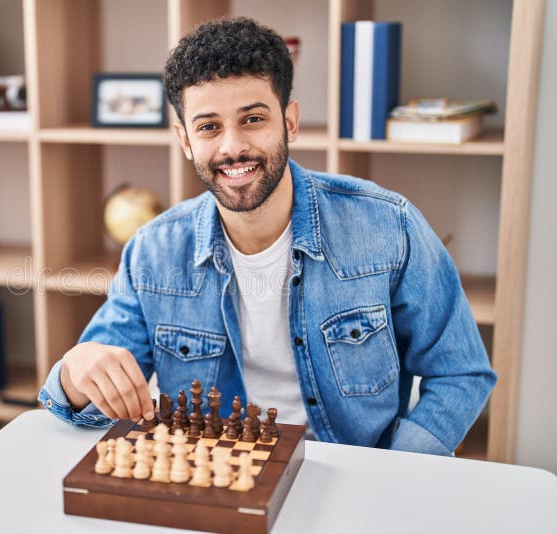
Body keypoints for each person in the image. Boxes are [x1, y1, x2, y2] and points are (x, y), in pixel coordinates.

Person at [38, 18, 496, 455]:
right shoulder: (152, 252)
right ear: (185, 140)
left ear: (289, 121)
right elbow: (86, 398)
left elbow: (461, 374)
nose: (232, 146)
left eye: (253, 119)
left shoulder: (389, 226)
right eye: (209, 126)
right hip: (220, 480)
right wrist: (75, 374)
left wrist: (393, 470)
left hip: (356, 476)